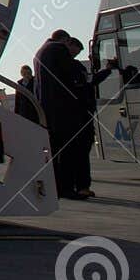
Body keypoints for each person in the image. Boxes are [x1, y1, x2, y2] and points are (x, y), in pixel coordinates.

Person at [34, 30, 91, 199]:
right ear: (65, 40)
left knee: (57, 150)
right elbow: (73, 74)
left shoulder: (41, 51)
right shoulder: (58, 49)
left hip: (49, 109)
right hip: (63, 109)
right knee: (69, 150)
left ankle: (59, 188)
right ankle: (67, 188)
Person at [65, 33, 113, 200]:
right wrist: (106, 71)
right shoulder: (73, 66)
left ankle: (79, 186)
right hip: (80, 115)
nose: (77, 55)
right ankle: (82, 186)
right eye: (76, 51)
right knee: (82, 151)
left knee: (79, 152)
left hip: (75, 115)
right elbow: (89, 82)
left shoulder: (62, 64)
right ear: (70, 46)